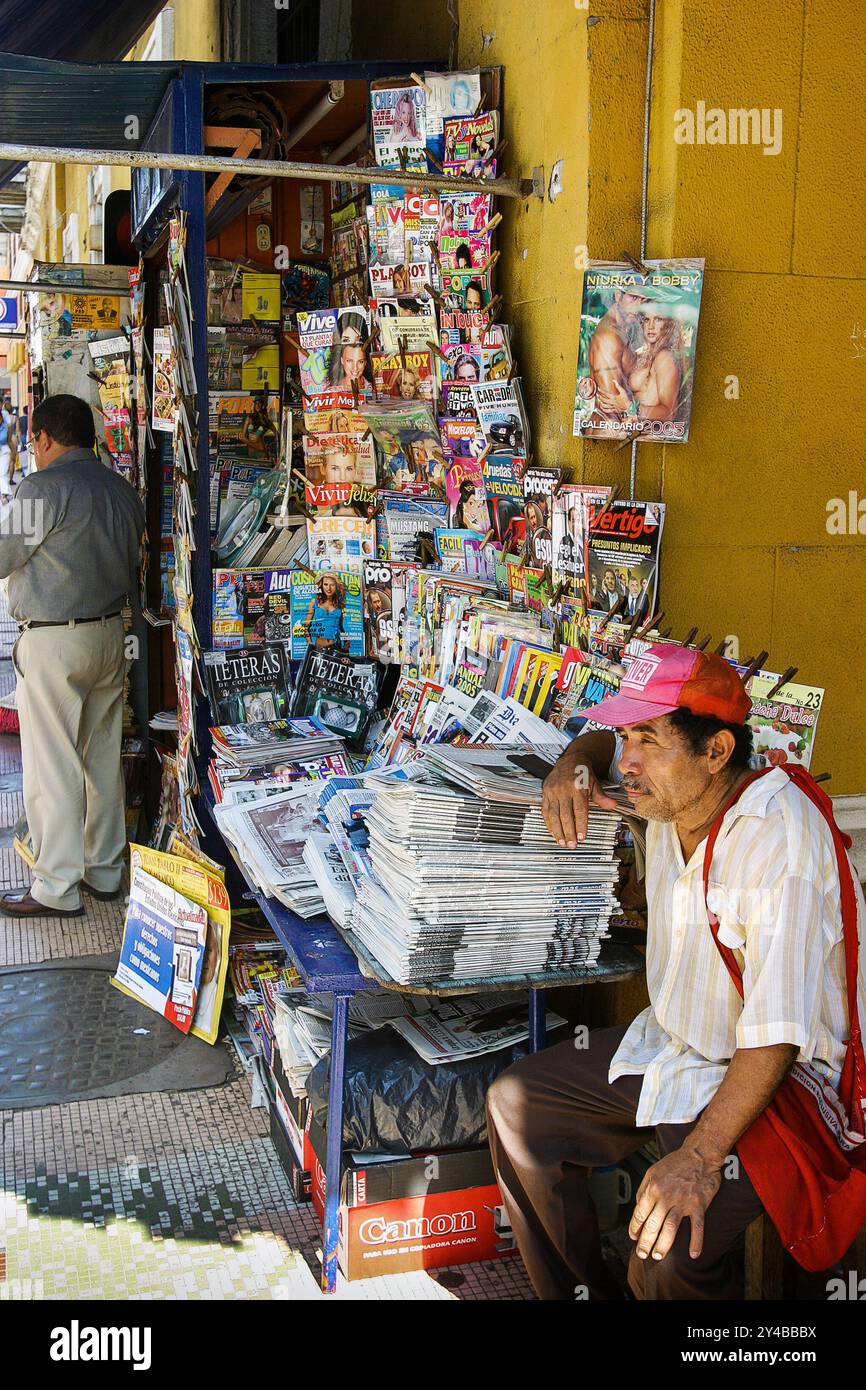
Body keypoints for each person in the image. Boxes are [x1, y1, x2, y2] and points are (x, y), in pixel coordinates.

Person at [487, 643, 866, 1300]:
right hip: (677, 1044)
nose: (628, 761)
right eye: (628, 734)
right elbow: (600, 746)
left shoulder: (779, 844)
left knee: (667, 1254)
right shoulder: (672, 795)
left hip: (779, 1086)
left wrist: (698, 1158)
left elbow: (775, 1036)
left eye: (649, 740)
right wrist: (574, 765)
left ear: (716, 752)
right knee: (520, 1108)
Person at [0, 394, 145, 918]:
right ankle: (105, 872)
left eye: (33, 441)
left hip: (56, 641)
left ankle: (55, 887)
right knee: (100, 759)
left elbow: (1, 557)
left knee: (53, 765)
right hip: (111, 636)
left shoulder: (43, 488)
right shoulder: (122, 490)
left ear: (44, 438)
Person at [304, 572, 345, 650]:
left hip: (336, 647)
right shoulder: (314, 602)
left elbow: (341, 628)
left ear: (336, 586)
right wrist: (310, 643)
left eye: (332, 585)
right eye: (325, 584)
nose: (328, 588)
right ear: (321, 586)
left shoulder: (340, 605)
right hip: (319, 646)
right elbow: (305, 628)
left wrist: (346, 642)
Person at [0, 400, 14, 501]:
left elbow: (9, 435)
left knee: (2, 472)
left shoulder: (5, 414)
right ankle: (6, 492)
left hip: (4, 449)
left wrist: (13, 450)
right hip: (5, 447)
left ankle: (4, 493)